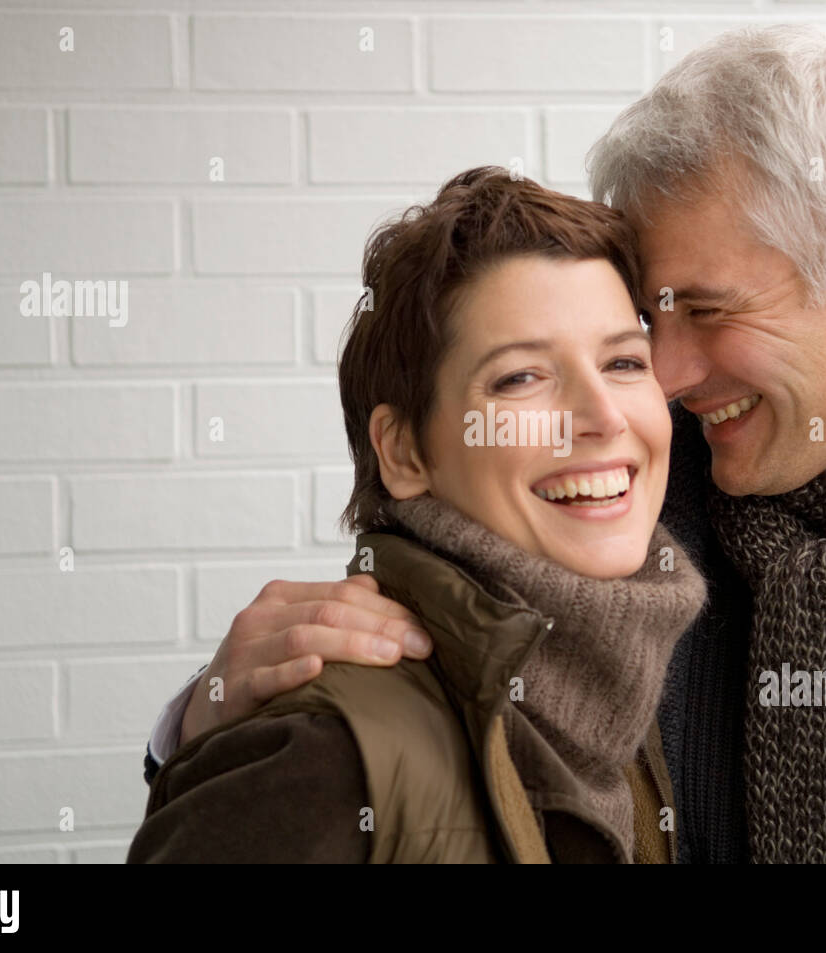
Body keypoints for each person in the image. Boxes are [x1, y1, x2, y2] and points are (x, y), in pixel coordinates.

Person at [143, 25, 826, 863]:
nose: (663, 374)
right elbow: (405, 714)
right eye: (648, 319)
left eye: (705, 311)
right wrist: (207, 720)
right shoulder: (609, 519)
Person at [127, 167, 708, 863]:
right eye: (521, 377)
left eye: (623, 361)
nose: (604, 417)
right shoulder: (322, 752)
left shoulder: (615, 693)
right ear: (402, 452)